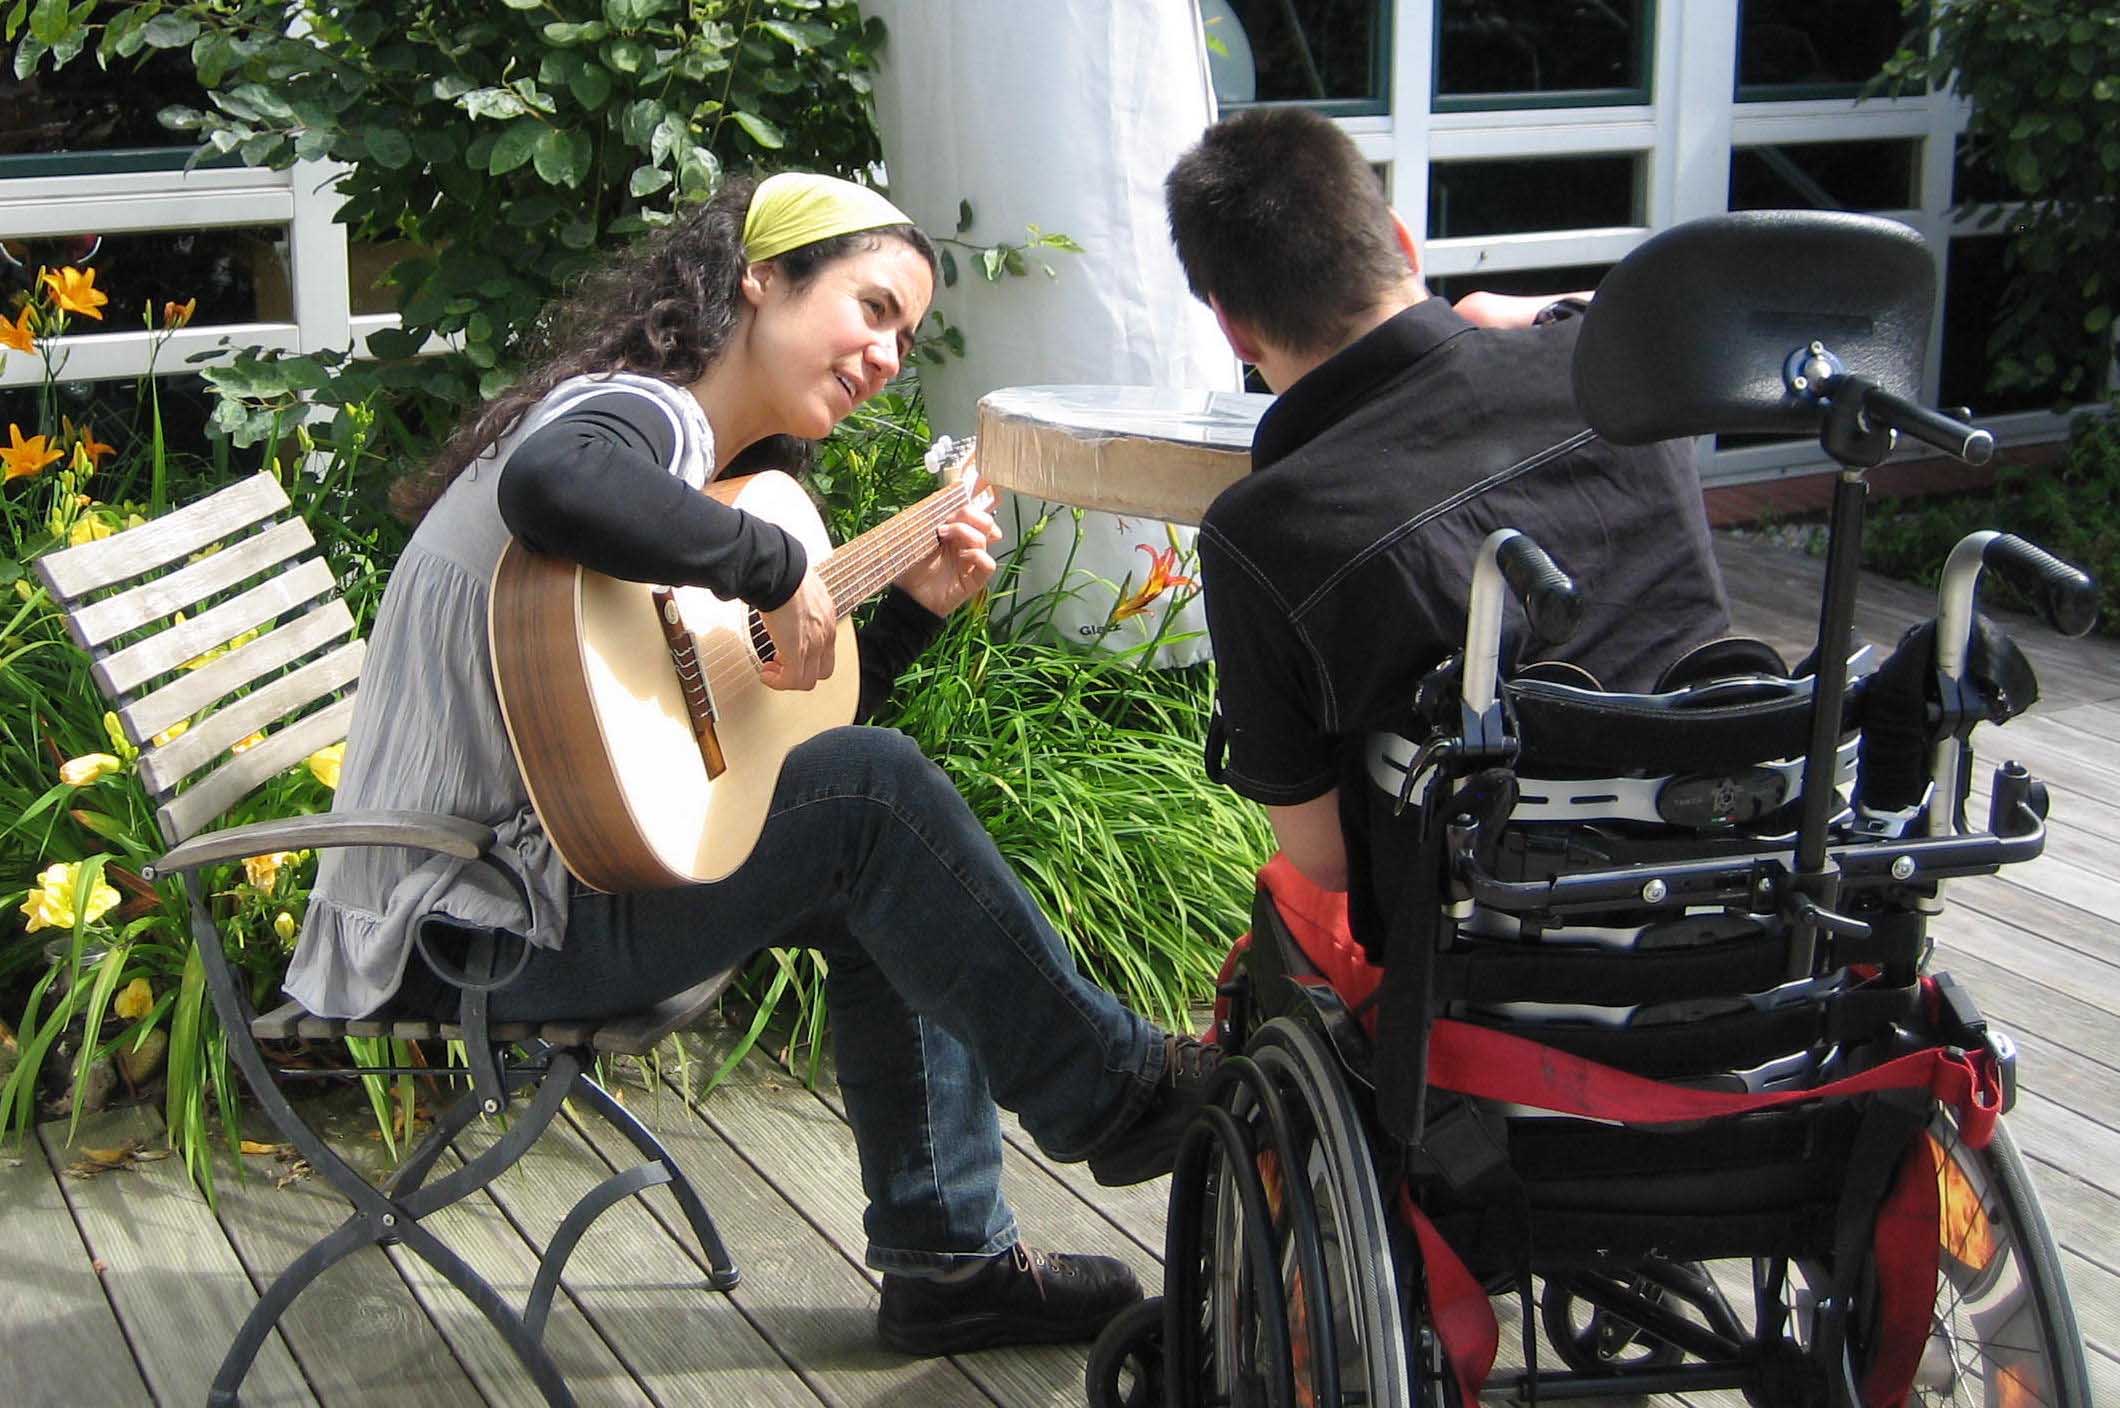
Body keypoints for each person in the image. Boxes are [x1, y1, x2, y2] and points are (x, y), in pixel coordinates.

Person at [288, 172, 1216, 1356]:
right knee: (877, 800)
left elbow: (771, 753)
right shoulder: (641, 419)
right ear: (759, 280)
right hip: (472, 925)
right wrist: (774, 569)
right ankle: (1117, 1092)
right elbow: (548, 481)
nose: (886, 352)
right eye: (870, 307)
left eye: (907, 335)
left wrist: (908, 616)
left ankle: (951, 1265)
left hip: (533, 887)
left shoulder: (697, 487)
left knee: (871, 828)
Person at [1163, 107, 1732, 939]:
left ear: (1232, 325)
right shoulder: (1618, 374)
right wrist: (1489, 309)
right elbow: (1618, 310)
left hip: (1495, 956)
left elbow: (1326, 860)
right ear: (1399, 238)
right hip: (1729, 890)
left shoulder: (1259, 532)